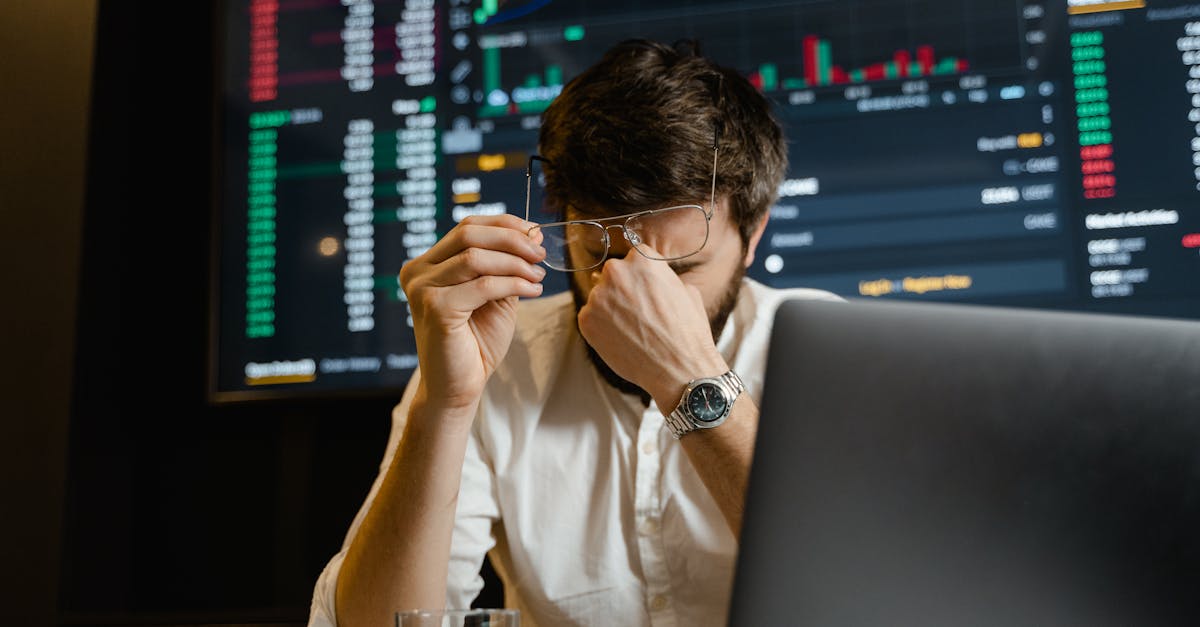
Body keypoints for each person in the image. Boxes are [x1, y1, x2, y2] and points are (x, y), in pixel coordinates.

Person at [308, 38, 841, 627]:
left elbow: (865, 595)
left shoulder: (830, 356)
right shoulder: (491, 360)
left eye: (683, 268)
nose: (639, 302)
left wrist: (692, 380)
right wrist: (446, 406)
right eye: (598, 253)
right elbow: (375, 623)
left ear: (755, 234)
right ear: (563, 225)